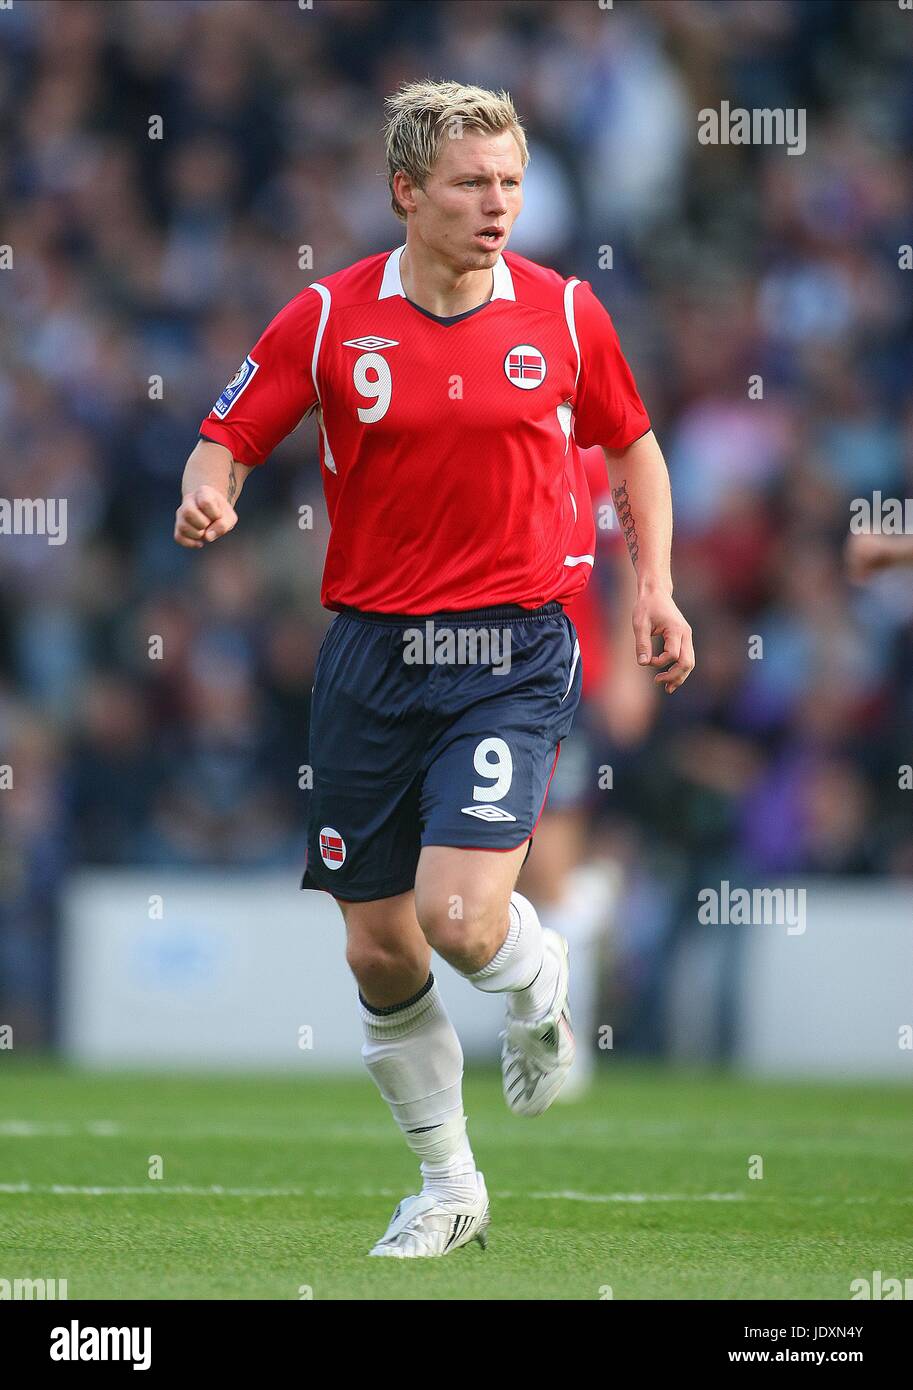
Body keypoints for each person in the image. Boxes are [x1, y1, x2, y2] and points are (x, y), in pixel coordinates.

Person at [174, 80, 694, 1259]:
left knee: (462, 918)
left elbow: (635, 448)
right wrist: (211, 489)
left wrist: (654, 589)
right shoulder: (325, 318)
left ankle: (535, 975)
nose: (497, 204)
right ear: (406, 192)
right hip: (368, 652)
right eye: (470, 183)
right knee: (378, 946)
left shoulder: (564, 314)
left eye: (510, 181)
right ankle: (449, 1184)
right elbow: (229, 434)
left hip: (509, 647)